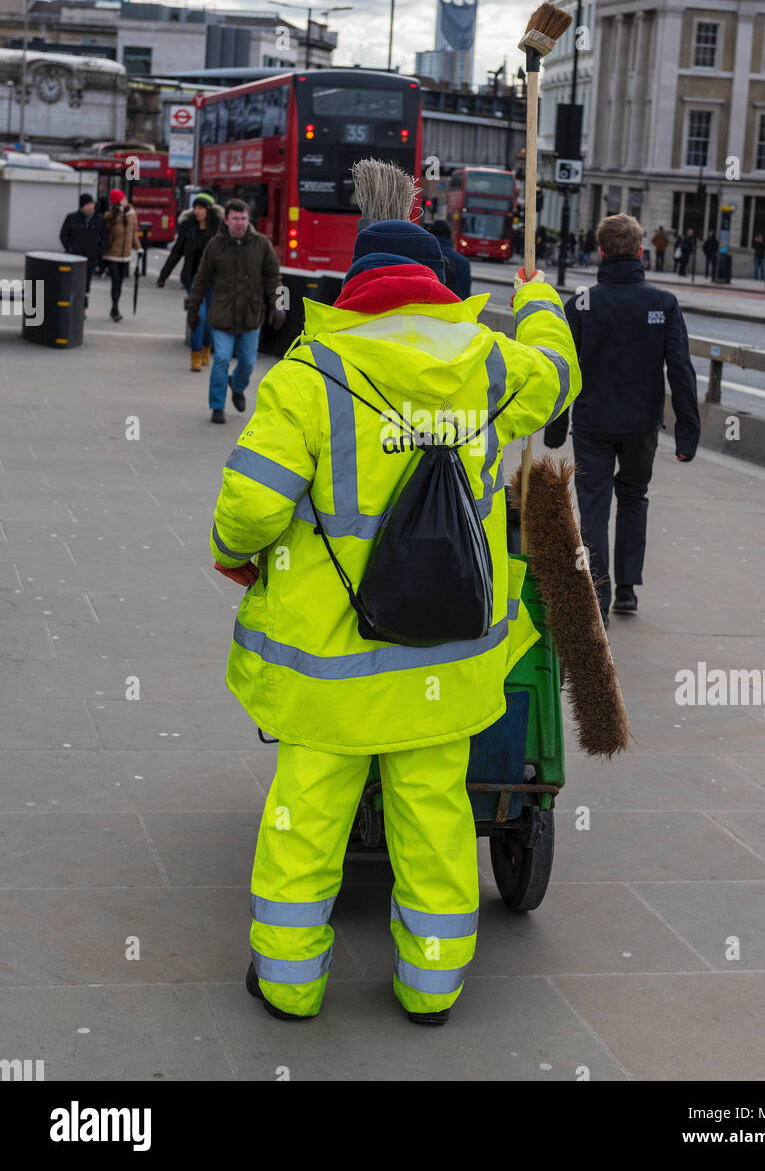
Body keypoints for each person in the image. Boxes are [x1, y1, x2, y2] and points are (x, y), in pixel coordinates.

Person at [207, 217, 579, 1023]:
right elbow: (556, 372)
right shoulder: (487, 365)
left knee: (303, 818)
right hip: (443, 662)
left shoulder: (309, 374)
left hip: (327, 664)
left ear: (355, 286)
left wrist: (232, 554)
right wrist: (539, 298)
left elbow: (247, 510)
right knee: (434, 817)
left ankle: (289, 985)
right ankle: (429, 987)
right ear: (435, 285)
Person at [544, 212, 699, 625]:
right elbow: (680, 369)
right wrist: (687, 433)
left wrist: (556, 429)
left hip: (593, 423)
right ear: (640, 251)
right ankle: (628, 590)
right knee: (633, 496)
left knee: (593, 507)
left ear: (600, 251)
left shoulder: (580, 304)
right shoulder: (663, 304)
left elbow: (565, 369)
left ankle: (599, 592)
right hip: (641, 424)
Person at [186, 199, 283, 424]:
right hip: (222, 315)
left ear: (248, 220)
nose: (240, 223)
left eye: (244, 219)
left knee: (248, 362)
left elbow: (275, 277)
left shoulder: (261, 244)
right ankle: (217, 406)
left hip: (251, 315)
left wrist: (280, 305)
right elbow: (201, 279)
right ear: (227, 219)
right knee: (220, 359)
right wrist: (193, 309)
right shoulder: (215, 246)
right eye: (236, 219)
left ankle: (237, 386)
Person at [157, 193, 224, 370]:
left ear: (208, 210)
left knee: (209, 318)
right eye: (195, 208)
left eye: (201, 208)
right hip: (193, 279)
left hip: (215, 280)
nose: (197, 211)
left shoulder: (220, 227)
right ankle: (195, 356)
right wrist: (164, 275)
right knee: (198, 315)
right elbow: (177, 251)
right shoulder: (187, 226)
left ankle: (205, 350)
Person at [59, 193, 107, 308]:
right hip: (74, 257)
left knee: (86, 283)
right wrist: (69, 248)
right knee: (74, 282)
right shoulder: (72, 218)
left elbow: (105, 238)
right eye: (88, 204)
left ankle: (82, 306)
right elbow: (63, 235)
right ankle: (74, 304)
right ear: (82, 206)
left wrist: (99, 253)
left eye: (92, 204)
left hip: (90, 258)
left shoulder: (99, 219)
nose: (91, 206)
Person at [102, 188, 140, 322]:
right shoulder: (111, 215)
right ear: (117, 202)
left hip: (125, 255)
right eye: (122, 199)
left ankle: (115, 307)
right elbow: (106, 234)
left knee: (120, 283)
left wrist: (138, 248)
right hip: (112, 254)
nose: (125, 201)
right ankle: (115, 309)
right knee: (116, 281)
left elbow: (133, 234)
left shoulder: (131, 214)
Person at [426, 219, 472, 299]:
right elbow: (466, 293)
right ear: (450, 236)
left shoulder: (426, 256)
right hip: (454, 308)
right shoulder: (464, 262)